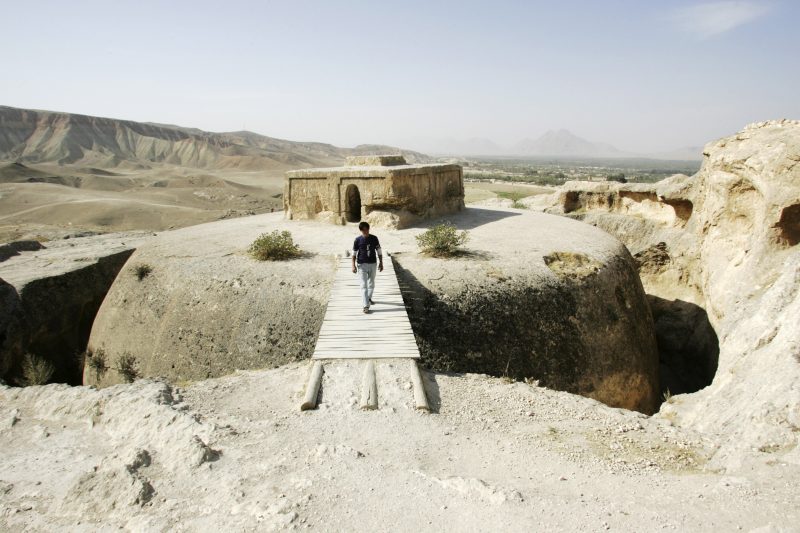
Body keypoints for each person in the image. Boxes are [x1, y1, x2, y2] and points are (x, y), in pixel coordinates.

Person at [351, 221, 383, 313]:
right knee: (363, 286)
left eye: (367, 229)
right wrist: (353, 265)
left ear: (369, 229)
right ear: (360, 230)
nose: (365, 231)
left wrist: (381, 263)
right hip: (361, 265)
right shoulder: (357, 240)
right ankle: (366, 306)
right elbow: (354, 253)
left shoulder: (374, 238)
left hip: (373, 264)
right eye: (363, 230)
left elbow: (379, 251)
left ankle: (368, 298)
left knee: (371, 284)